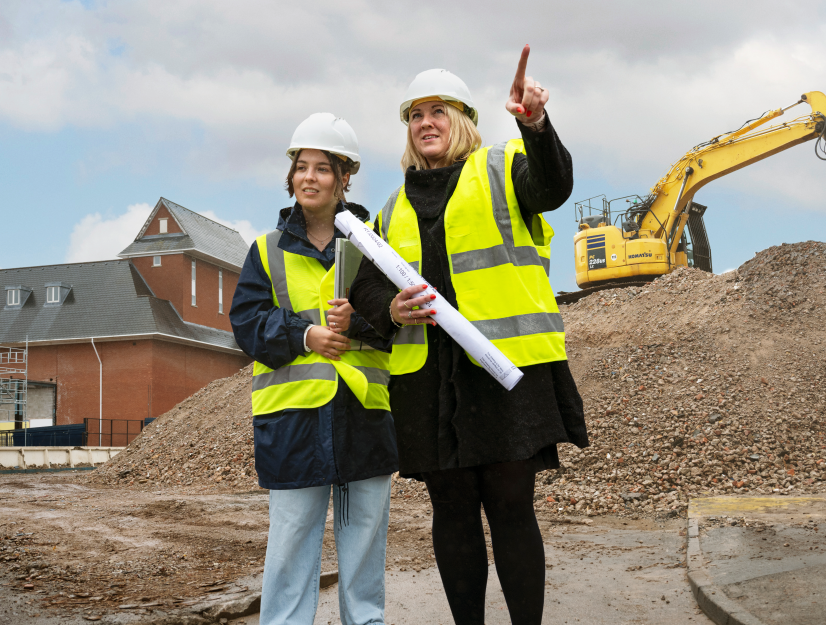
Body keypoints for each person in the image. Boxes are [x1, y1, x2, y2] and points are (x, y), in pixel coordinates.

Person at [348, 46, 589, 625]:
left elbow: (552, 186)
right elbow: (365, 289)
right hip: (429, 383)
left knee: (510, 508)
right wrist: (394, 309)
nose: (425, 123)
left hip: (506, 373)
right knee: (452, 512)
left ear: (464, 121)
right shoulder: (392, 205)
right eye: (415, 115)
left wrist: (534, 123)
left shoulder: (504, 168)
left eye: (438, 111)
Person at [229, 112, 397, 625]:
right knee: (290, 547)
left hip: (363, 418)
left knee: (365, 552)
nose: (309, 177)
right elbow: (247, 324)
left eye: (323, 168)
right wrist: (306, 334)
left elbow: (399, 318)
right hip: (294, 425)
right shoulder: (266, 250)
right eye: (302, 167)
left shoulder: (375, 243)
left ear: (345, 178)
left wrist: (361, 323)